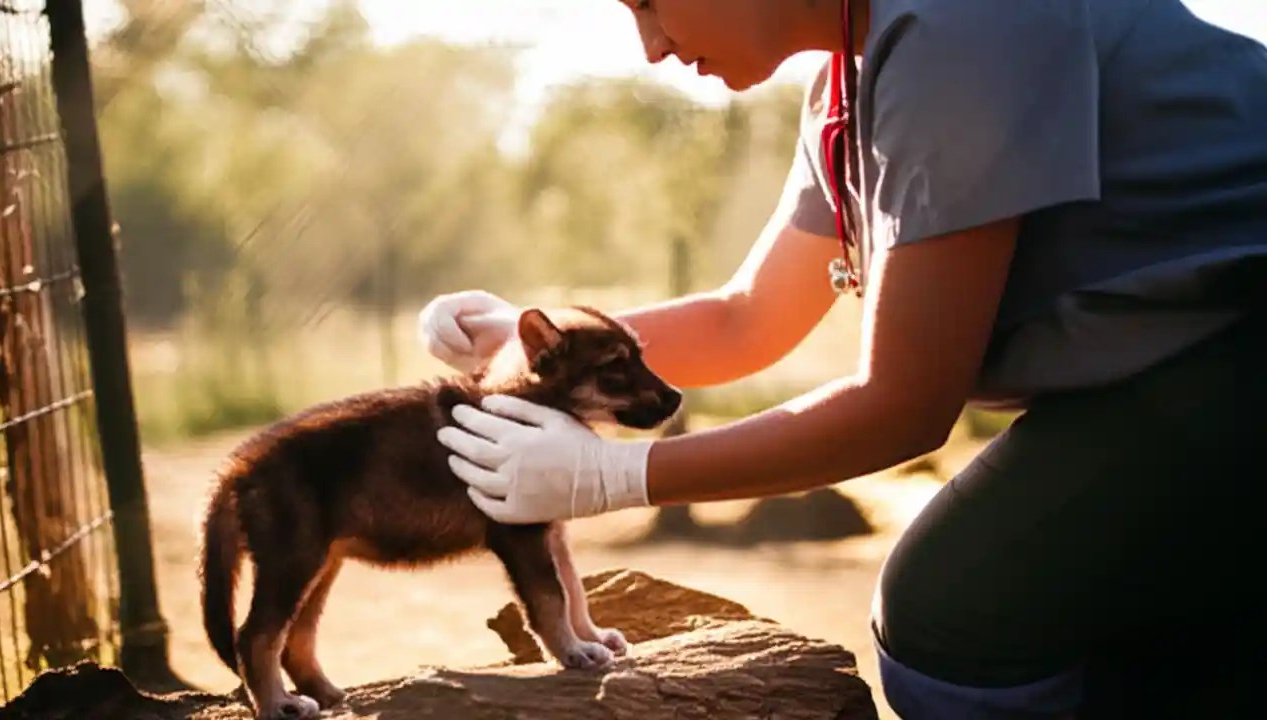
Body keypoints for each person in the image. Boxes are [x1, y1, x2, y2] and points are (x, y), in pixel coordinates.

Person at [420, 0, 1267, 717]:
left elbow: (905, 407)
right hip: (1172, 376)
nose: (652, 47)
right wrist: (532, 346)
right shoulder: (849, 80)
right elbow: (745, 320)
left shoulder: (960, 27)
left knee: (956, 610)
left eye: (647, 1)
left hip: (1234, 346)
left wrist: (617, 478)